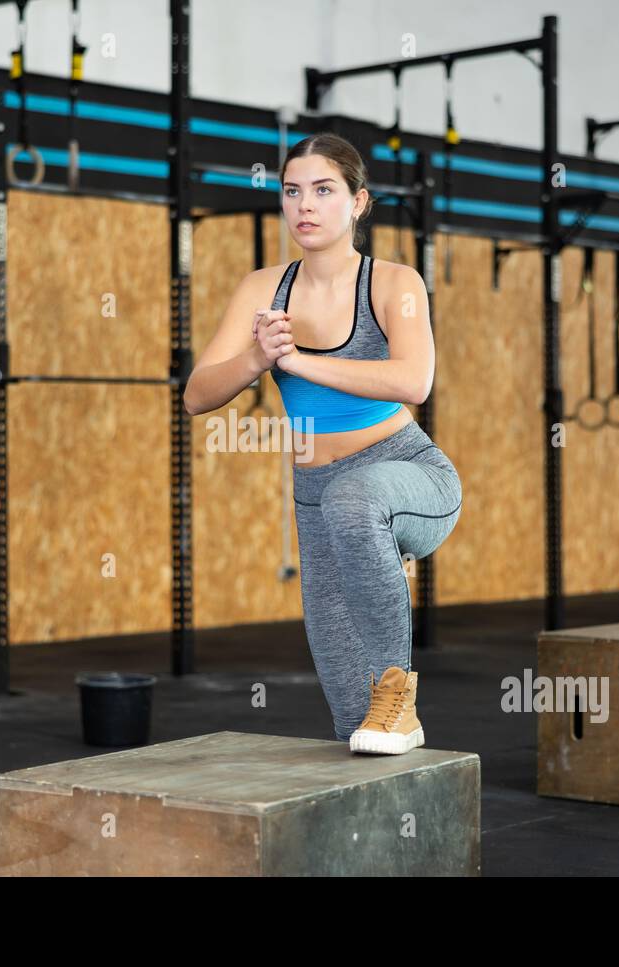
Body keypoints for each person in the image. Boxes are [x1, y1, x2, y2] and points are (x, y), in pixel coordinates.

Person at [184, 133, 463, 754]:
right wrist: (258, 356)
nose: (304, 205)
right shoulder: (263, 289)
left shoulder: (396, 283)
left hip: (410, 476)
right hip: (317, 497)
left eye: (323, 190)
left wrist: (300, 361)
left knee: (355, 500)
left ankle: (402, 700)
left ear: (357, 203)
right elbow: (198, 394)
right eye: (291, 191)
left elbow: (413, 381)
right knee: (352, 725)